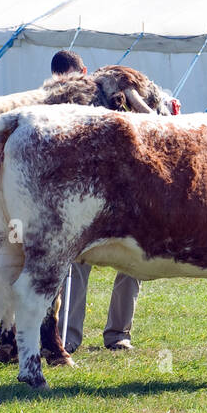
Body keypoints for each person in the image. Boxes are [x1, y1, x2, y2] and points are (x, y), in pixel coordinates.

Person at [50, 50, 143, 353]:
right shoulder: (52, 108)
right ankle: (71, 337)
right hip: (85, 196)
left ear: (86, 73)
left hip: (119, 193)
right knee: (76, 262)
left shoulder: (116, 100)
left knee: (132, 261)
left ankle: (116, 334)